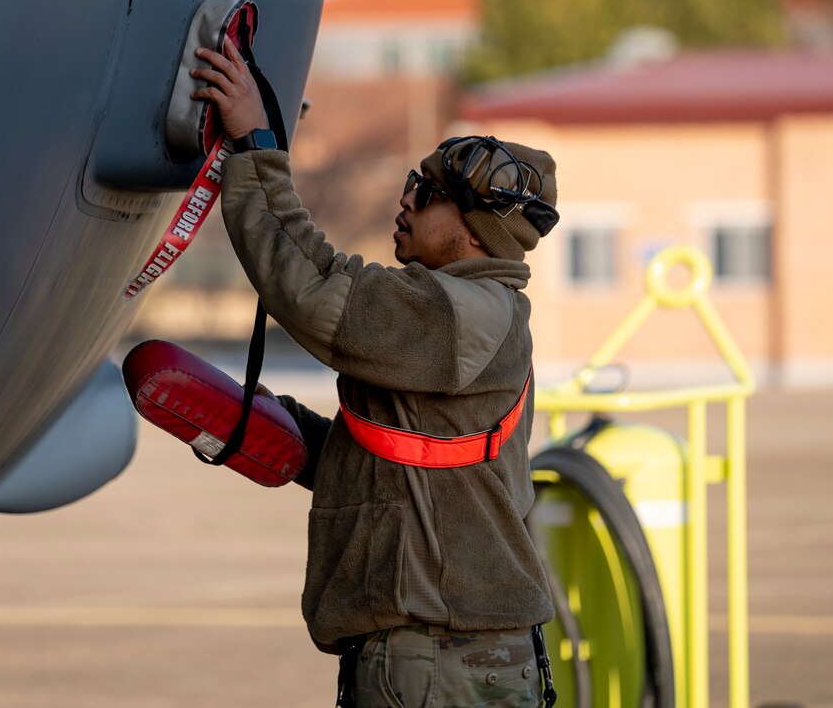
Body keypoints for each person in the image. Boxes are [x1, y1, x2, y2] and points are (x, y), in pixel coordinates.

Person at [191, 39, 559, 708]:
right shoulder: (484, 320)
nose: (407, 198)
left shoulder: (453, 312)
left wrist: (255, 145)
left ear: (476, 233)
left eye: (429, 192)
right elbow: (413, 462)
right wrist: (277, 429)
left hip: (434, 660)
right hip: (474, 654)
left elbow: (311, 288)